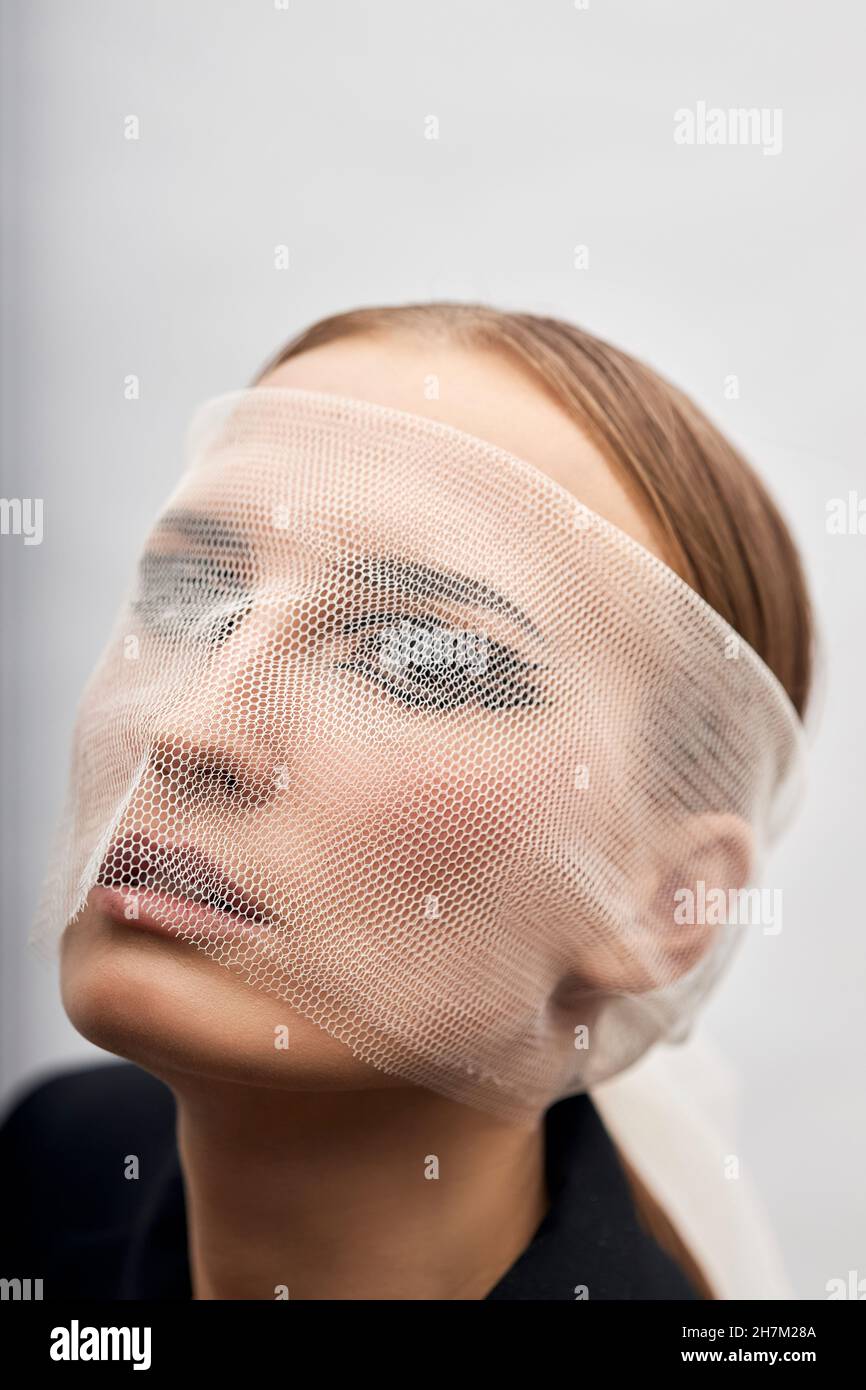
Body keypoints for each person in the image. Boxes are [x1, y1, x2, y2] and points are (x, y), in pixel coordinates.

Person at [0, 303, 813, 1300]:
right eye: (188, 593)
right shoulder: (58, 1167)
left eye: (414, 658)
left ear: (661, 900)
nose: (188, 731)